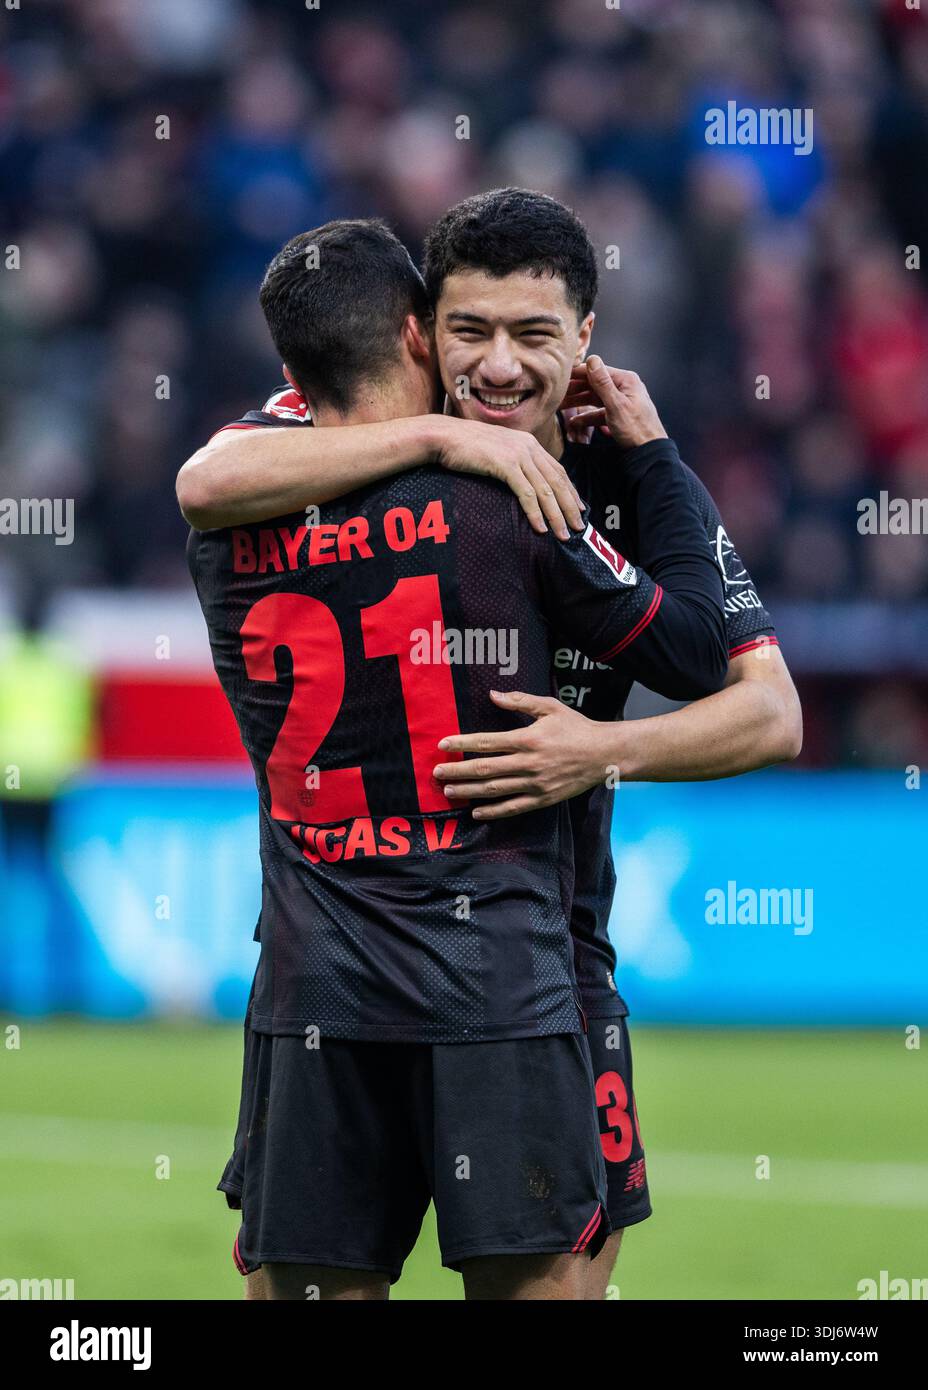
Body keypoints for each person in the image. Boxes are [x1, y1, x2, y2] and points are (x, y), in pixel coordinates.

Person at [178, 188, 801, 1300]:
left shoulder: (623, 476)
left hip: (520, 964)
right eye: (470, 332)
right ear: (422, 329)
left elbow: (771, 713)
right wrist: (442, 435)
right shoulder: (501, 494)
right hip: (498, 976)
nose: (501, 366)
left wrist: (597, 752)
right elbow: (728, 674)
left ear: (586, 340)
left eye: (534, 336)